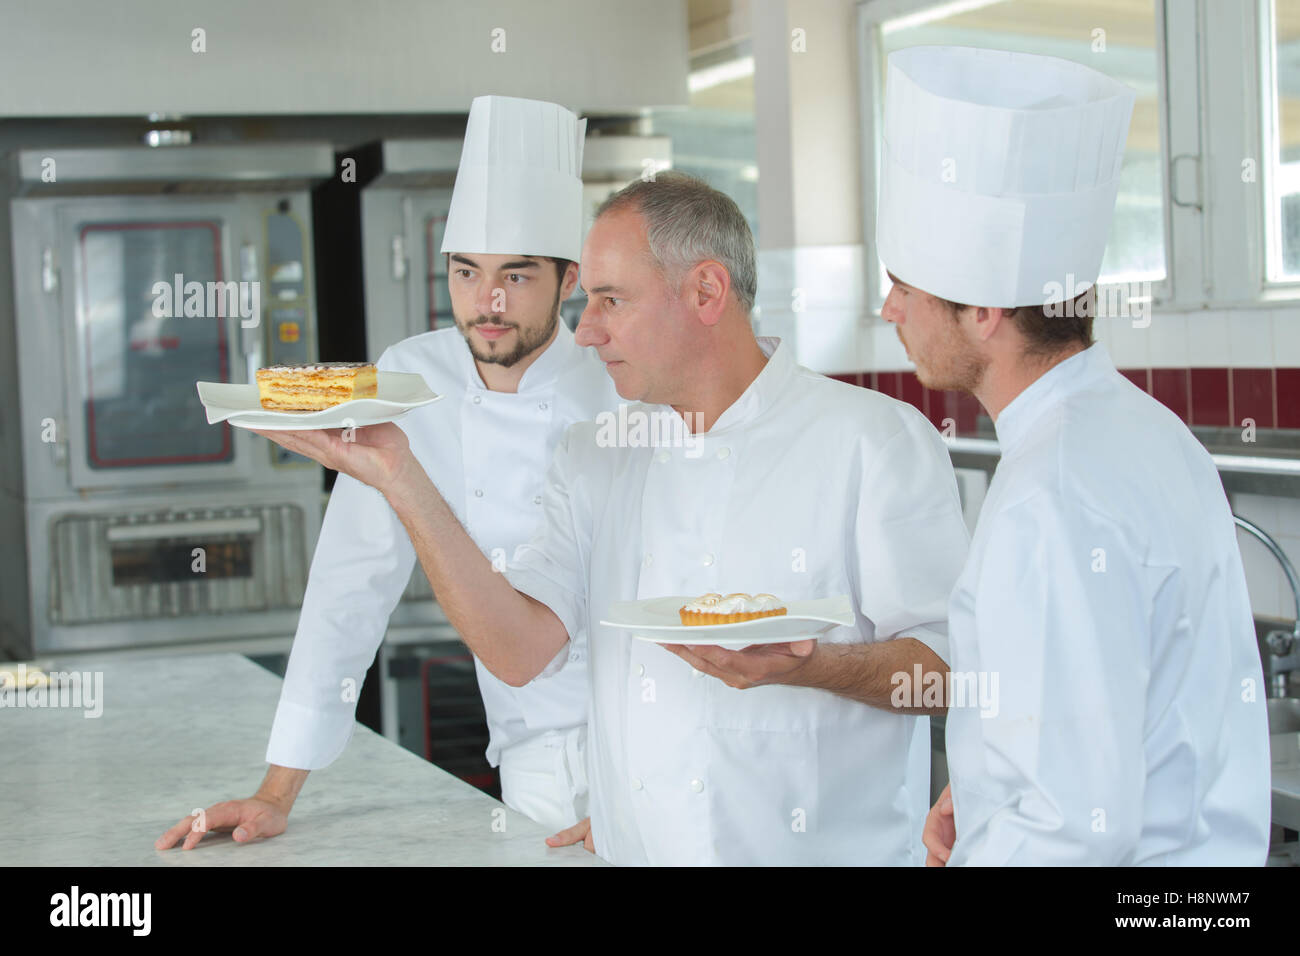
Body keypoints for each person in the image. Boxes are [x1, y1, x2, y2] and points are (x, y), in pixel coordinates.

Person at [240, 170, 971, 865]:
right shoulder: (597, 456)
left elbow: (947, 673)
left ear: (707, 291)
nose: (585, 333)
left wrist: (815, 666)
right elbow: (519, 653)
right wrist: (401, 477)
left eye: (611, 301)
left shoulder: (872, 439)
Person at [156, 95, 619, 850]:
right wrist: (278, 790)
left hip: (646, 745)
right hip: (531, 755)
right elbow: (351, 582)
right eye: (467, 273)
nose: (487, 303)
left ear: (570, 281)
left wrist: (650, 775)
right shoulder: (412, 376)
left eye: (518, 276)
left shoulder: (621, 379)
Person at [872, 45, 1271, 864]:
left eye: (904, 286)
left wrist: (1010, 821)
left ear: (983, 309)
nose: (889, 310)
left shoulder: (1049, 495)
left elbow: (1067, 832)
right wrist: (984, 786)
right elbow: (1116, 711)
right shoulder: (1146, 430)